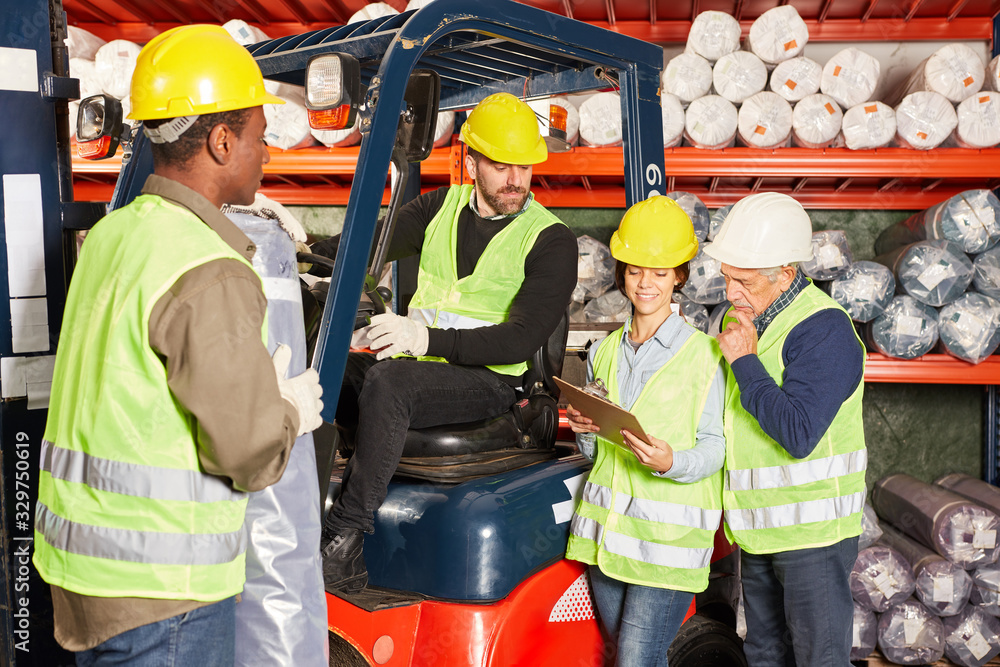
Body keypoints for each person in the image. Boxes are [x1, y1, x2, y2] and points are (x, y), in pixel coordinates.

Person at [32, 25, 324, 666]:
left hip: (86, 578)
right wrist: (289, 412)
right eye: (260, 138)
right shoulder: (211, 266)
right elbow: (247, 454)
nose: (266, 155)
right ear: (222, 141)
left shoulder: (114, 235)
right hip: (165, 593)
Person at [319, 92, 578, 591]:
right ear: (471, 159)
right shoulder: (435, 207)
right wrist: (303, 252)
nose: (515, 180)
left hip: (493, 381)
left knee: (390, 383)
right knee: (330, 369)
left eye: (524, 167)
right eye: (502, 165)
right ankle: (302, 504)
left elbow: (519, 340)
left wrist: (422, 335)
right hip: (425, 365)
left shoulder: (551, 239)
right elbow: (367, 248)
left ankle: (344, 537)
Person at [703, 192, 867, 667]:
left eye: (744, 282)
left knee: (817, 659)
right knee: (764, 654)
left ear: (787, 274)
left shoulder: (823, 330)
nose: (731, 293)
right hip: (759, 532)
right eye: (728, 278)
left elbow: (798, 432)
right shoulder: (752, 320)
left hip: (812, 538)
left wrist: (746, 363)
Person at [564, 196, 725, 667]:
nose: (645, 283)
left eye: (659, 272)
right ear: (622, 274)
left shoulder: (705, 356)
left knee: (634, 661)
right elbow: (596, 453)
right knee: (631, 658)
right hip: (608, 541)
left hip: (667, 549)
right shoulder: (604, 351)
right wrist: (586, 428)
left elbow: (715, 448)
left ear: (679, 276)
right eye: (635, 271)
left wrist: (672, 461)